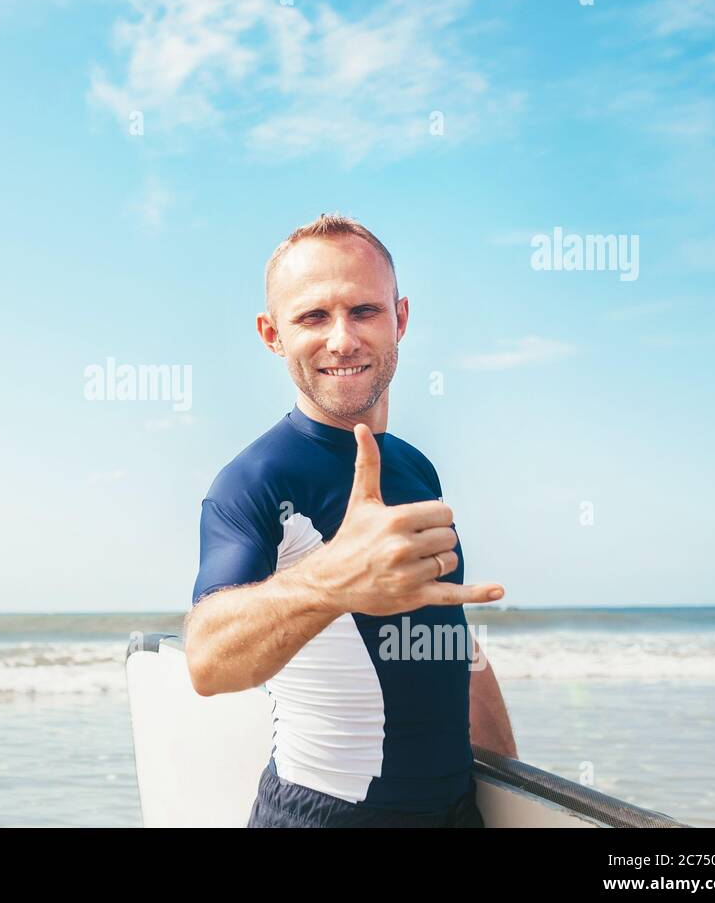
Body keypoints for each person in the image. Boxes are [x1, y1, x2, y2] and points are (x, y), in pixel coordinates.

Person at [184, 213, 517, 828]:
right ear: (272, 334)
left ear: (402, 320)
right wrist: (328, 581)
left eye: (365, 311)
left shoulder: (417, 469)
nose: (342, 339)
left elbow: (450, 640)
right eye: (313, 316)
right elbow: (207, 660)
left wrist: (514, 795)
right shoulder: (254, 481)